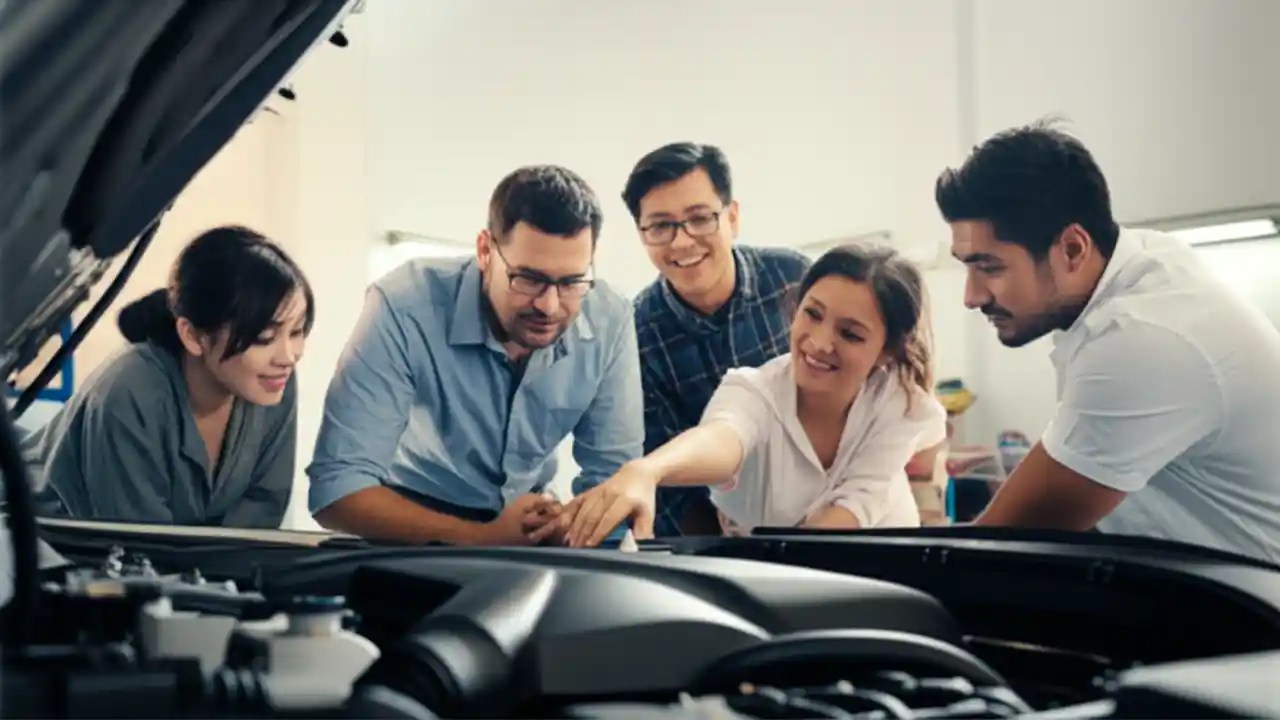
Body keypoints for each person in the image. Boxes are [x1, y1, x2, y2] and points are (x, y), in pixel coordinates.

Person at [937, 120, 1280, 563]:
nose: (972, 296)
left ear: (1074, 249)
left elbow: (997, 546)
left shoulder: (1139, 339)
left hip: (1258, 610)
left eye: (989, 267)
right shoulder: (1143, 265)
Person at [307, 165, 643, 546]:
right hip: (409, 529)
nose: (549, 306)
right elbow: (336, 489)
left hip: (527, 532)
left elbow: (614, 479)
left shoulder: (610, 317)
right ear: (485, 251)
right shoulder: (404, 304)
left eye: (570, 282)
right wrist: (483, 537)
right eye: (528, 279)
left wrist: (568, 524)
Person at [564, 243, 947, 547]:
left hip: (880, 578)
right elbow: (725, 435)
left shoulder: (900, 401)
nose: (820, 342)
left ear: (886, 351)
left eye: (850, 334)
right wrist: (647, 470)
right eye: (812, 314)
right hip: (778, 582)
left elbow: (854, 507)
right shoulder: (753, 391)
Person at [26, 225, 313, 528]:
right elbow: (139, 543)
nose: (289, 356)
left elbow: (261, 516)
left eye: (297, 332)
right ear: (193, 336)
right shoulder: (129, 390)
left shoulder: (272, 381)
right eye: (264, 337)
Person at [623, 142, 811, 537]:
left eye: (699, 218)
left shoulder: (794, 278)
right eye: (660, 226)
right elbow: (670, 485)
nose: (682, 241)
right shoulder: (636, 335)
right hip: (724, 533)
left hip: (832, 494)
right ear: (642, 235)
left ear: (733, 217)